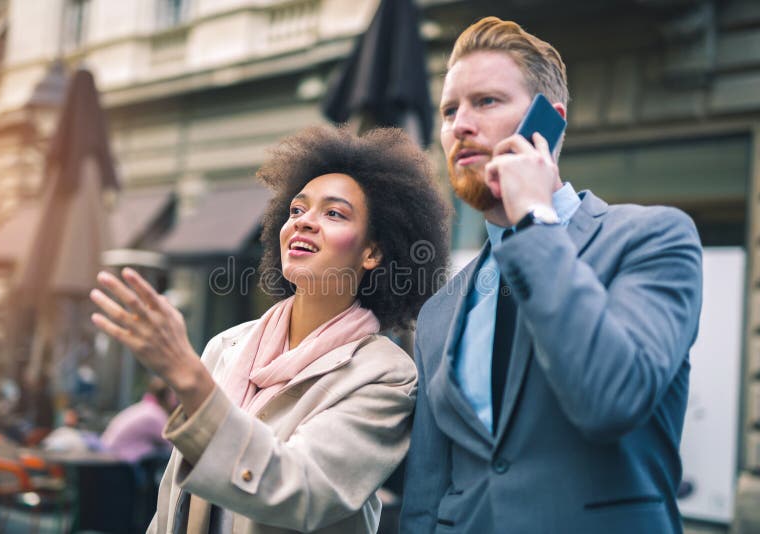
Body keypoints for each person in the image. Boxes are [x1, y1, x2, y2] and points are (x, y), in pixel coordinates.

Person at [399, 16, 703, 534]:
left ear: (549, 121)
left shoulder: (654, 238)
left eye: (486, 102)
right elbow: (426, 495)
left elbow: (611, 397)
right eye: (450, 110)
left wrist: (534, 219)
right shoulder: (438, 310)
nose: (460, 125)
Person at [90, 126, 449, 533]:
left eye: (333, 213)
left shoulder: (386, 376)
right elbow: (173, 500)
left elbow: (303, 491)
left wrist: (188, 380)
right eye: (296, 210)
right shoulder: (226, 346)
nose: (304, 223)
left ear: (373, 251)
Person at [100, 376, 175, 463]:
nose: (176, 400)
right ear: (167, 396)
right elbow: (171, 444)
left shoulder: (146, 407)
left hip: (110, 453)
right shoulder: (155, 414)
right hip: (119, 460)